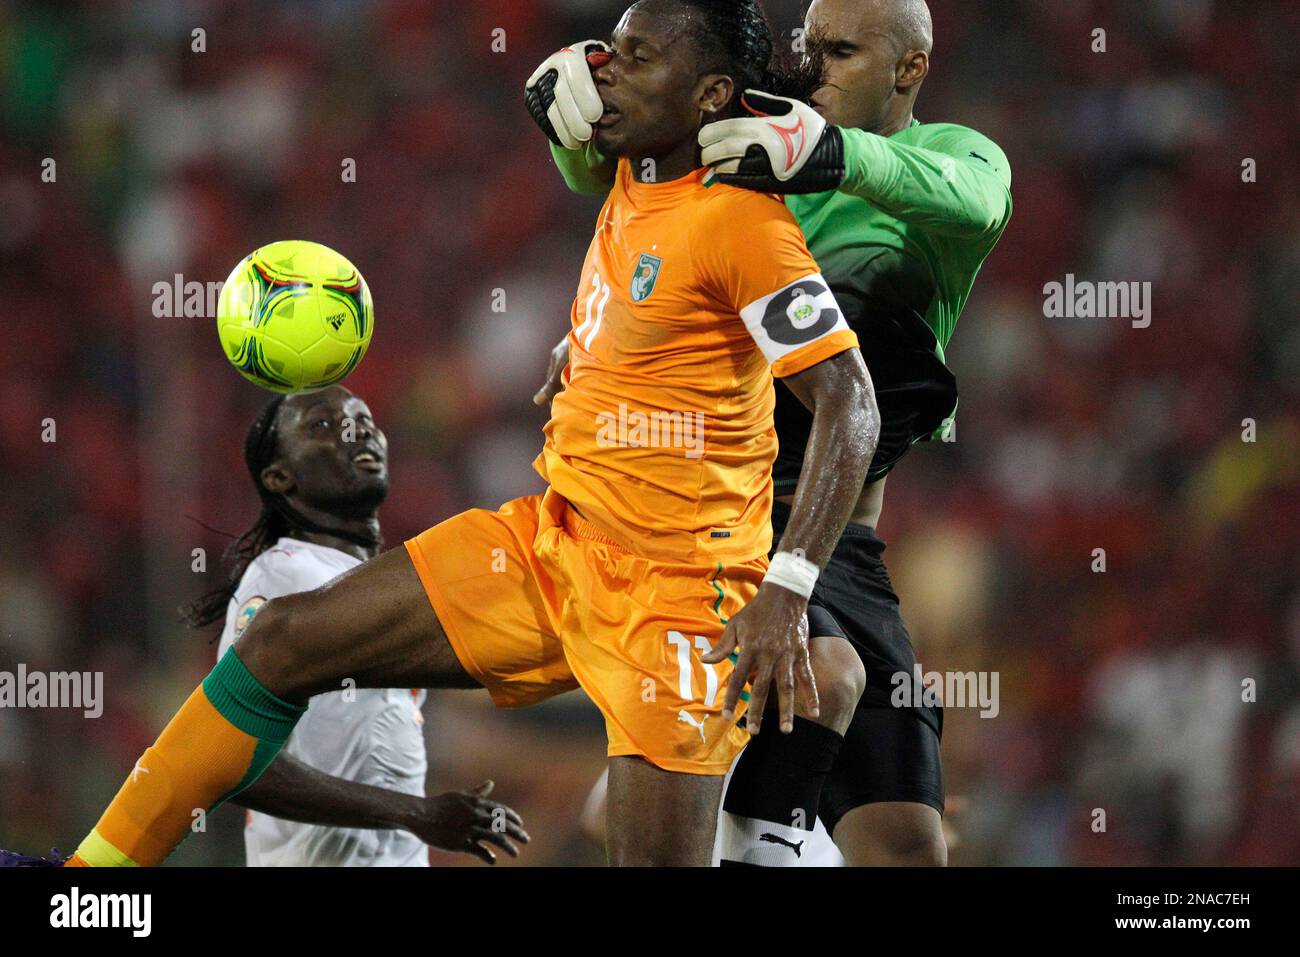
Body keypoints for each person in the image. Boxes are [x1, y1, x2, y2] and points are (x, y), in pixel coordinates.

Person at [57, 0, 877, 868]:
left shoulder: (745, 225)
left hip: (675, 599)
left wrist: (787, 587)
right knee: (279, 643)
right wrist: (589, 350)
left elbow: (850, 404)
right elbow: (651, 290)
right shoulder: (638, 168)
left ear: (712, 94)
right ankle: (86, 881)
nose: (608, 71)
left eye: (638, 59)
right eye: (615, 50)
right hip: (556, 542)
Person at [535, 0, 1012, 865]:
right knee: (822, 684)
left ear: (908, 70)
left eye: (842, 51)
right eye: (807, 47)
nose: (815, 67)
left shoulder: (950, 157)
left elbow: (977, 203)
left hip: (844, 542)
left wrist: (831, 157)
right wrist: (573, 116)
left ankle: (696, 809)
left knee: (909, 844)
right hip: (726, 526)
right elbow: (617, 178)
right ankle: (681, 800)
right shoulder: (745, 158)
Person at [189, 387, 528, 866]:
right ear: (279, 476)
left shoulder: (369, 587)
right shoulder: (283, 577)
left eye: (364, 418)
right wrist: (415, 813)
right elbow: (228, 759)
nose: (358, 430)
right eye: (323, 427)